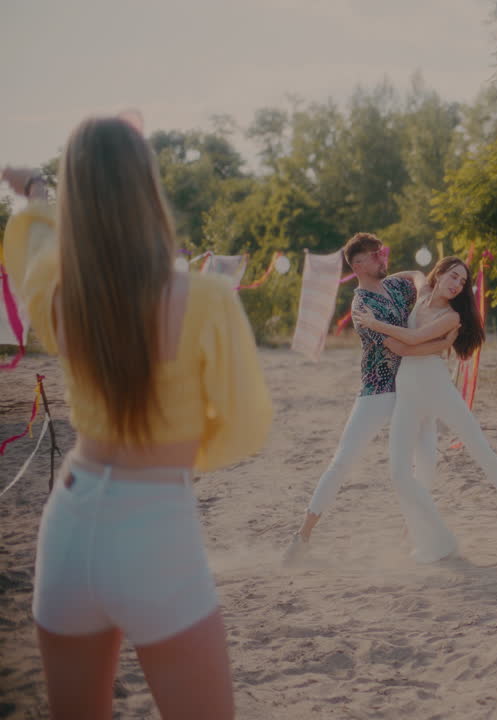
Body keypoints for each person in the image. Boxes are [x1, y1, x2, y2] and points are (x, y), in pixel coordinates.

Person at [3, 114, 272, 718]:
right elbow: (243, 420)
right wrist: (184, 448)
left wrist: (37, 192)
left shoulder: (60, 292)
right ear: (148, 188)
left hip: (70, 520)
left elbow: (39, 246)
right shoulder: (203, 300)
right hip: (155, 523)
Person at [352, 256, 497, 561]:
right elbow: (414, 273)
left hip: (436, 386)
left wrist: (373, 323)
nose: (456, 284)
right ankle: (436, 540)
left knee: (486, 458)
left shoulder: (451, 318)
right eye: (452, 276)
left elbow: (410, 340)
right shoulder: (422, 294)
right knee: (398, 471)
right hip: (408, 390)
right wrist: (380, 286)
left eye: (462, 282)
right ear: (439, 274)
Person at [283, 233, 457, 564]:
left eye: (383, 252)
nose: (383, 258)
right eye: (376, 255)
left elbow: (417, 277)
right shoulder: (362, 307)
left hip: (412, 387)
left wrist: (421, 287)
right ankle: (302, 535)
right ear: (359, 264)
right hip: (378, 389)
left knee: (426, 462)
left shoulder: (395, 287)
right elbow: (401, 346)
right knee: (343, 461)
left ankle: (414, 532)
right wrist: (438, 341)